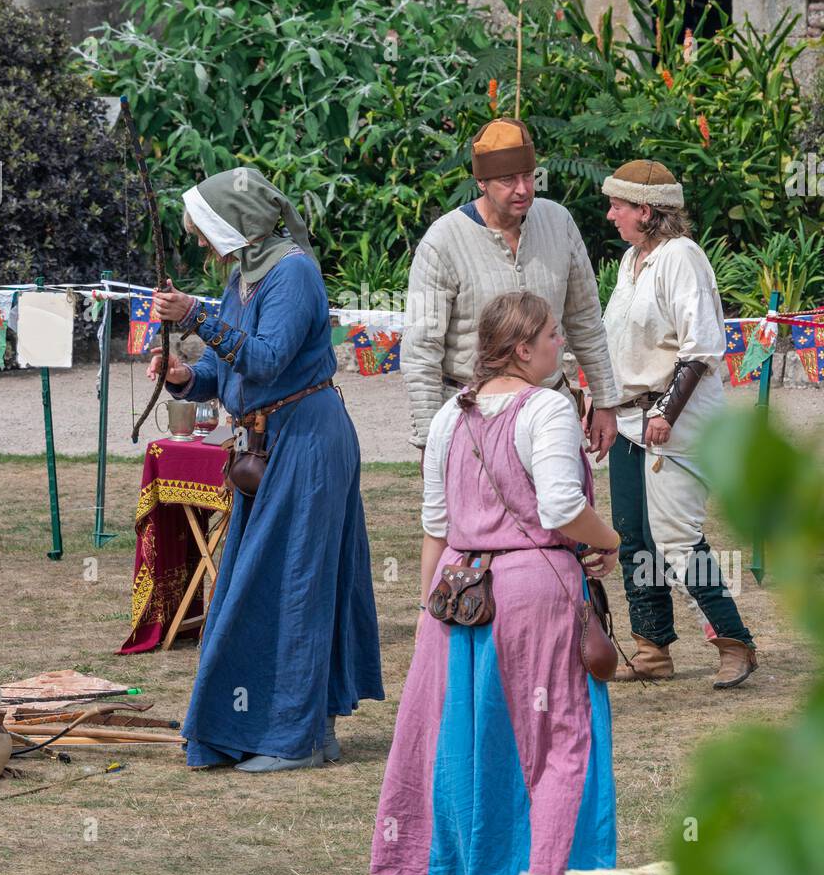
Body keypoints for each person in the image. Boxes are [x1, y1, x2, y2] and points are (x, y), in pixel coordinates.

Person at [371, 291, 620, 875]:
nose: (560, 344)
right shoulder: (547, 409)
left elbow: (436, 523)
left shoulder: (455, 414)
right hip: (532, 585)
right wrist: (611, 540)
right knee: (562, 740)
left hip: (461, 589)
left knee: (481, 738)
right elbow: (564, 508)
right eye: (550, 336)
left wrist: (431, 612)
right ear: (521, 348)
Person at [146, 166, 384, 771]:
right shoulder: (243, 280)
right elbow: (234, 373)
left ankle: (294, 737)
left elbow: (270, 359)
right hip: (267, 444)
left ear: (234, 222)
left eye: (204, 228)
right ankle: (301, 729)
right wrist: (186, 376)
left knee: (296, 583)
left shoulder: (293, 272)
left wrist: (196, 319)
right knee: (275, 582)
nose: (200, 240)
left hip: (308, 441)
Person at [601, 160, 757, 687]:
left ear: (646, 211)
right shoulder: (631, 259)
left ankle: (735, 643)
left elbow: (702, 347)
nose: (610, 214)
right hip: (628, 418)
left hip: (677, 419)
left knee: (675, 536)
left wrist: (666, 412)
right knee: (633, 537)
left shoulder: (681, 258)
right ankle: (652, 649)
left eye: (618, 206)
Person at [401, 117, 620, 461]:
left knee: (563, 511)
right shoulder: (443, 242)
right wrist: (430, 439)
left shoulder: (558, 222)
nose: (522, 189)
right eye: (508, 180)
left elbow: (585, 321)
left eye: (528, 176)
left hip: (550, 413)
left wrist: (605, 401)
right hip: (473, 421)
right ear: (481, 182)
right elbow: (421, 349)